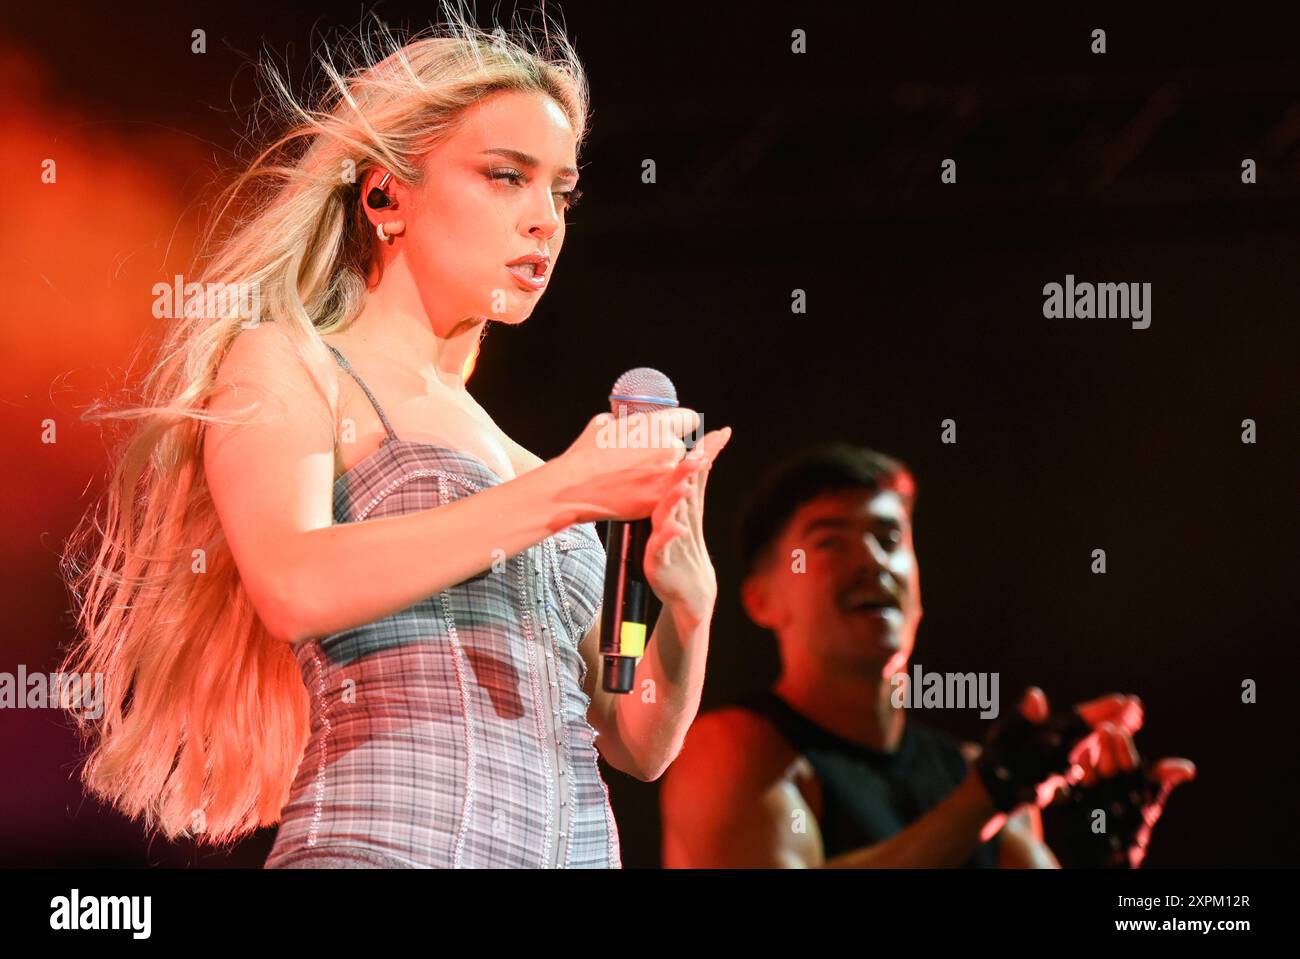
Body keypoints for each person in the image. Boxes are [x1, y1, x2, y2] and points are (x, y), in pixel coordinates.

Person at [57, 12, 730, 869]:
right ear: (385, 196)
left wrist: (686, 608)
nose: (544, 221)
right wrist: (566, 491)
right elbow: (294, 580)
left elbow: (635, 738)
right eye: (504, 176)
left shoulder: (530, 463)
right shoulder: (296, 364)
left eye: (559, 192)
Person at [660, 444, 1192, 868]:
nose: (872, 561)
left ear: (919, 587)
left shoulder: (973, 773)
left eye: (889, 537)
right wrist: (989, 797)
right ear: (760, 598)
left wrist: (1104, 863)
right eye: (828, 542)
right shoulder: (732, 750)